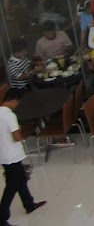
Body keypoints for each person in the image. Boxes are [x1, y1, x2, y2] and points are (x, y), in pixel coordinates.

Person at [0, 90, 45, 223]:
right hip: (12, 154)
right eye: (17, 102)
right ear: (14, 100)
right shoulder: (9, 116)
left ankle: (29, 204)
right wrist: (23, 132)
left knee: (21, 180)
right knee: (12, 186)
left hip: (3, 153)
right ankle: (2, 217)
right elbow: (17, 137)